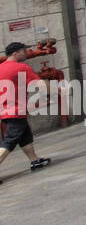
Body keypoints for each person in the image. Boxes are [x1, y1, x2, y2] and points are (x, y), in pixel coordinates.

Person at [0, 43, 53, 185]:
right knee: (9, 141)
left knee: (25, 137)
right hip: (15, 111)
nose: (26, 53)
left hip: (5, 111)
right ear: (15, 53)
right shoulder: (21, 68)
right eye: (24, 51)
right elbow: (39, 84)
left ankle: (35, 160)